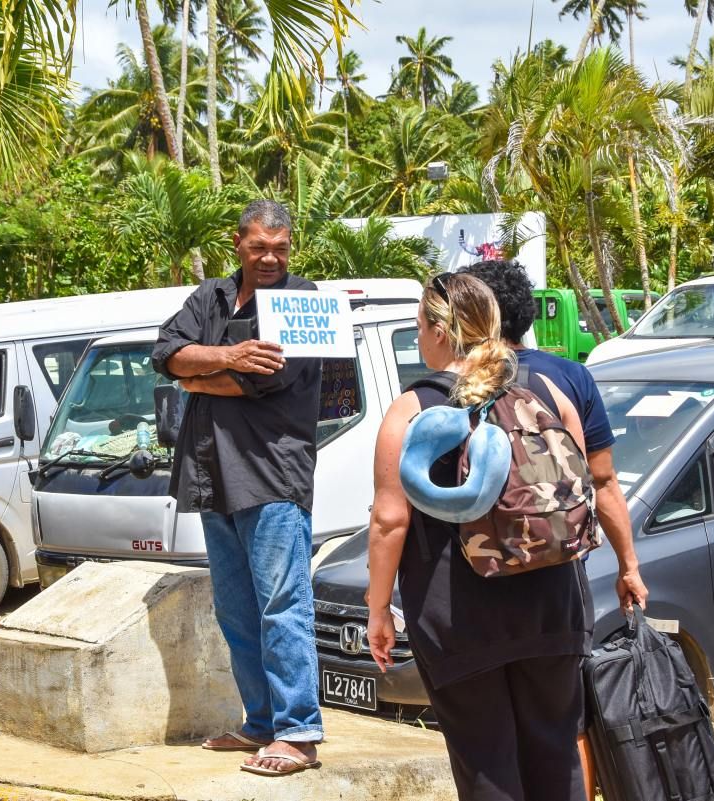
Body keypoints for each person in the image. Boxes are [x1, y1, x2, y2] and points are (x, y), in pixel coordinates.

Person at [367, 272, 643, 801]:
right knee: (556, 750)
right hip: (553, 603)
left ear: (441, 332)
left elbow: (389, 521)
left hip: (461, 614)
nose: (419, 336)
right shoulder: (549, 390)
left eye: (420, 325)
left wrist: (379, 609)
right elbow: (584, 484)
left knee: (485, 760)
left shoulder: (415, 407)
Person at [459, 260, 649, 800]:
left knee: (493, 745)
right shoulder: (570, 376)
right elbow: (605, 481)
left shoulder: (460, 384)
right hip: (560, 580)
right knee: (562, 728)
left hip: (482, 583)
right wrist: (629, 567)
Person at [151, 200, 324, 777]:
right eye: (259, 247)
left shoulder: (305, 301)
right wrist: (222, 357)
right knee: (236, 610)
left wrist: (196, 377)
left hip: (272, 477)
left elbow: (264, 380)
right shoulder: (210, 297)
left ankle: (299, 733)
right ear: (238, 244)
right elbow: (165, 354)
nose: (270, 258)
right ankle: (260, 722)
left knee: (283, 607)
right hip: (211, 477)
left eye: (280, 247)